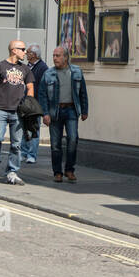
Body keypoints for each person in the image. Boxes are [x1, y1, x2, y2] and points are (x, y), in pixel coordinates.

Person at [37, 45, 88, 182]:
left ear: (66, 57)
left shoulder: (76, 71)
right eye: (54, 55)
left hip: (71, 110)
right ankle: (57, 172)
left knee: (72, 139)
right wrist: (45, 114)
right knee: (55, 144)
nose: (55, 58)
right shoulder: (48, 73)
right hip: (55, 112)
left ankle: (69, 170)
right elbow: (42, 95)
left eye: (57, 55)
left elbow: (83, 92)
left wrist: (84, 110)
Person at [0, 40, 34, 184]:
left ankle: (12, 172)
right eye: (22, 49)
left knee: (16, 144)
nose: (25, 52)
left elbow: (30, 87)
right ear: (14, 50)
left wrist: (29, 104)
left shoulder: (26, 69)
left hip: (18, 112)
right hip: (0, 109)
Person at [21, 45, 48, 165]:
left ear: (34, 54)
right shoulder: (27, 66)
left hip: (35, 103)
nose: (26, 54)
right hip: (24, 102)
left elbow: (43, 88)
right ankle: (23, 152)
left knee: (34, 129)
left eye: (28, 52)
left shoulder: (42, 67)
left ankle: (32, 154)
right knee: (24, 129)